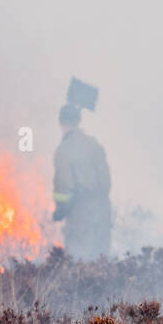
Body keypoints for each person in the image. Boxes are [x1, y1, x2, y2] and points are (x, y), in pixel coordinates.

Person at [53, 104, 112, 259]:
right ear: (78, 121)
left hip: (80, 215)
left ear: (61, 122)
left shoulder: (64, 150)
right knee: (100, 263)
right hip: (103, 212)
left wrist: (60, 210)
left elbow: (63, 186)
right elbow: (106, 182)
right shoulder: (93, 144)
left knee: (78, 264)